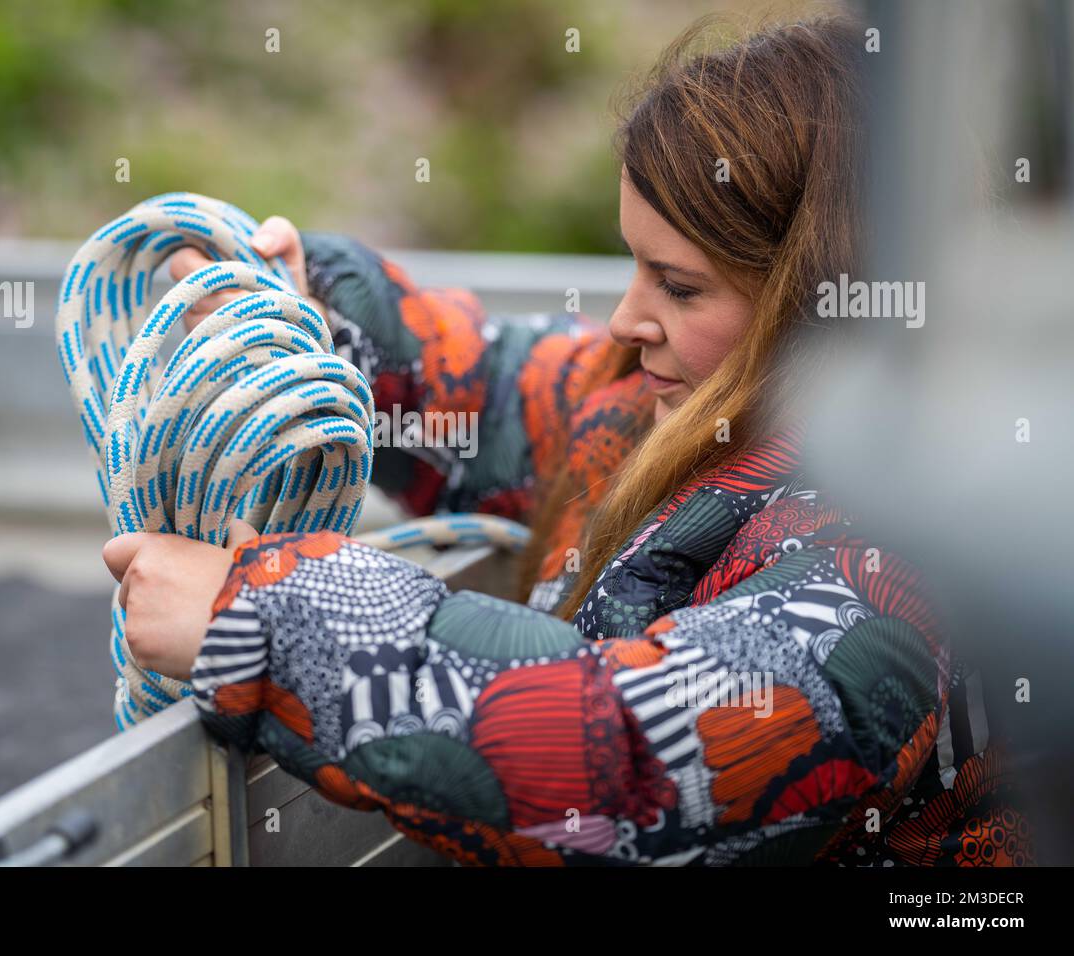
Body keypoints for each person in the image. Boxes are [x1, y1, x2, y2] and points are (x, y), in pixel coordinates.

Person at [100, 15, 1030, 866]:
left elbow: (621, 764)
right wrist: (318, 321)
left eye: (679, 285)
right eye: (633, 264)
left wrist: (257, 618)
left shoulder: (893, 573)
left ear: (815, 300)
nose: (628, 319)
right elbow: (498, 394)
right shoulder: (662, 403)